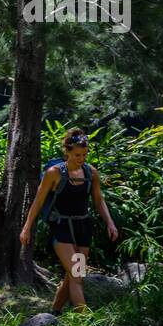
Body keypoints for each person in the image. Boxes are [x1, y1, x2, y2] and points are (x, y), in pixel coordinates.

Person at [19, 127, 119, 315]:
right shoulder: (54, 173)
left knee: (72, 274)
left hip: (83, 228)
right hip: (61, 227)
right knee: (77, 274)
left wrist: (110, 222)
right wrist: (27, 227)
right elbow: (38, 201)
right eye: (77, 155)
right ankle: (85, 320)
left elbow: (98, 200)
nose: (81, 159)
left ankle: (54, 312)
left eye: (84, 155)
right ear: (67, 151)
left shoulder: (91, 173)